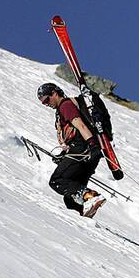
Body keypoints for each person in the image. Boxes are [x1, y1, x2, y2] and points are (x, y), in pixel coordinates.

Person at [38, 82, 104, 218]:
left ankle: (91, 197)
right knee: (70, 199)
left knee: (57, 180)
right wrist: (64, 155)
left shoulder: (65, 105)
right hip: (85, 153)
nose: (46, 104)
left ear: (55, 94)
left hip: (82, 149)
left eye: (46, 99)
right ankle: (84, 216)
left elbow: (80, 125)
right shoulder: (62, 108)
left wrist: (93, 145)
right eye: (43, 102)